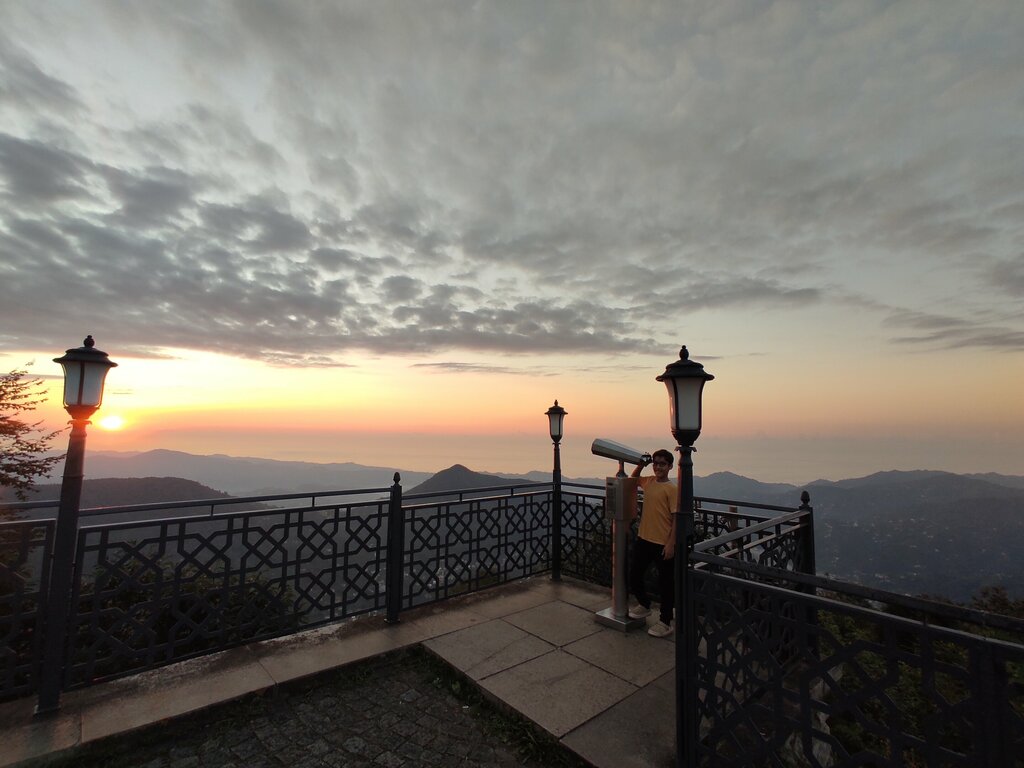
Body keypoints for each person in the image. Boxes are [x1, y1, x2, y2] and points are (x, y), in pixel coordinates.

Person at [628, 448, 677, 637]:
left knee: (665, 583)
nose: (658, 467)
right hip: (644, 538)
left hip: (662, 542)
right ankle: (645, 604)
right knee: (634, 574)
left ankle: (665, 621)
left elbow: (676, 519)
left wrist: (671, 543)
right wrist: (641, 464)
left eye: (662, 464)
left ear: (670, 466)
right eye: (656, 463)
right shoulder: (649, 481)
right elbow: (633, 479)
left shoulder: (672, 490)